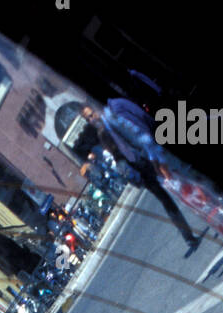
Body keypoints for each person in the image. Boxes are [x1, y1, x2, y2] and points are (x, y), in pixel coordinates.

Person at [80, 100, 205, 257]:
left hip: (149, 156)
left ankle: (206, 201)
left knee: (181, 177)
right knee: (166, 200)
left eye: (92, 115)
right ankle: (189, 237)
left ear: (96, 109)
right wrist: (128, 170)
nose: (92, 119)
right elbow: (117, 155)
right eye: (88, 119)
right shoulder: (102, 134)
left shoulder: (113, 119)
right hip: (141, 169)